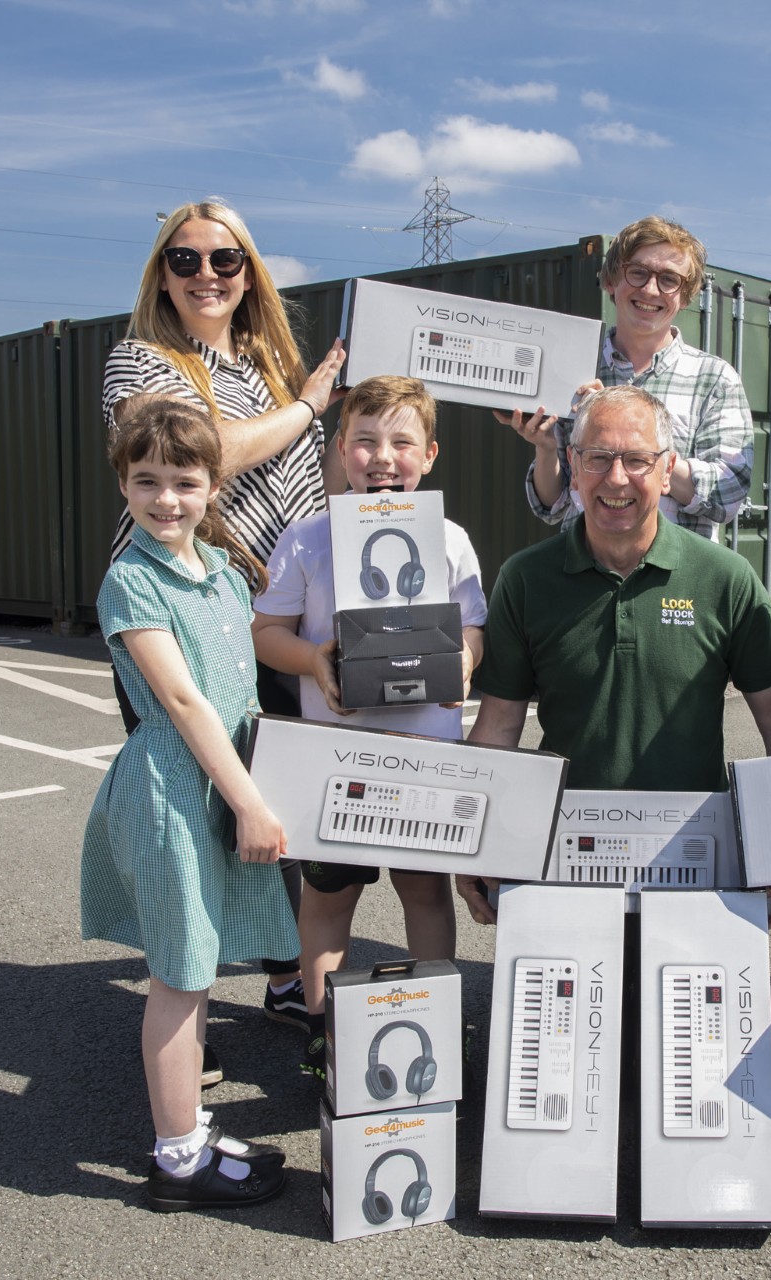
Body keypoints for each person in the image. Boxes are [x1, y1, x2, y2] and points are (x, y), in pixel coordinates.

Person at [103, 199, 347, 1033]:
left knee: (272, 787)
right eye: (184, 259)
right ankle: (183, 995)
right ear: (160, 273)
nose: (206, 275)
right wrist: (310, 408)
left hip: (271, 608)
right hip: (185, 604)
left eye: (224, 259)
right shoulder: (139, 360)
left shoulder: (270, 365)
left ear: (250, 271)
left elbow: (310, 486)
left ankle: (282, 973)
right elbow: (204, 452)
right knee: (193, 799)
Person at [458, 384, 771, 924]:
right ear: (572, 465)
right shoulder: (526, 578)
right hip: (568, 855)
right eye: (597, 457)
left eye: (638, 460)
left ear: (667, 471)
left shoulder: (725, 578)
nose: (616, 478)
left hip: (697, 859)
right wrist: (476, 846)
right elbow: (499, 726)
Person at [79, 394, 299, 1212]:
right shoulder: (132, 579)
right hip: (176, 789)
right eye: (146, 482)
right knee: (179, 973)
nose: (166, 499)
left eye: (184, 480)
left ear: (213, 483)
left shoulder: (221, 570)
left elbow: (243, 686)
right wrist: (249, 802)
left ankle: (193, 1130)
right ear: (124, 487)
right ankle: (176, 1159)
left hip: (222, 774)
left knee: (199, 968)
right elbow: (182, 700)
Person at [249, 375, 487, 1082]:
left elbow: (472, 627)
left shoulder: (449, 540)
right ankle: (323, 1024)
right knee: (328, 898)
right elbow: (266, 631)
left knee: (424, 891)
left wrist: (464, 668)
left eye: (401, 442)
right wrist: (315, 664)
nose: (383, 457)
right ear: (340, 449)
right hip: (336, 758)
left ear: (431, 454)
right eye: (366, 442)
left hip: (421, 755)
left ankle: (432, 1016)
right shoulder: (308, 537)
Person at [500, 215, 753, 544]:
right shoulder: (575, 369)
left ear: (685, 296)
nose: (650, 289)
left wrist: (641, 448)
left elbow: (728, 494)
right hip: (584, 575)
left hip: (675, 584)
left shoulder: (714, 379)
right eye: (637, 272)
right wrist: (546, 447)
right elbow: (553, 505)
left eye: (669, 279)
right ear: (610, 281)